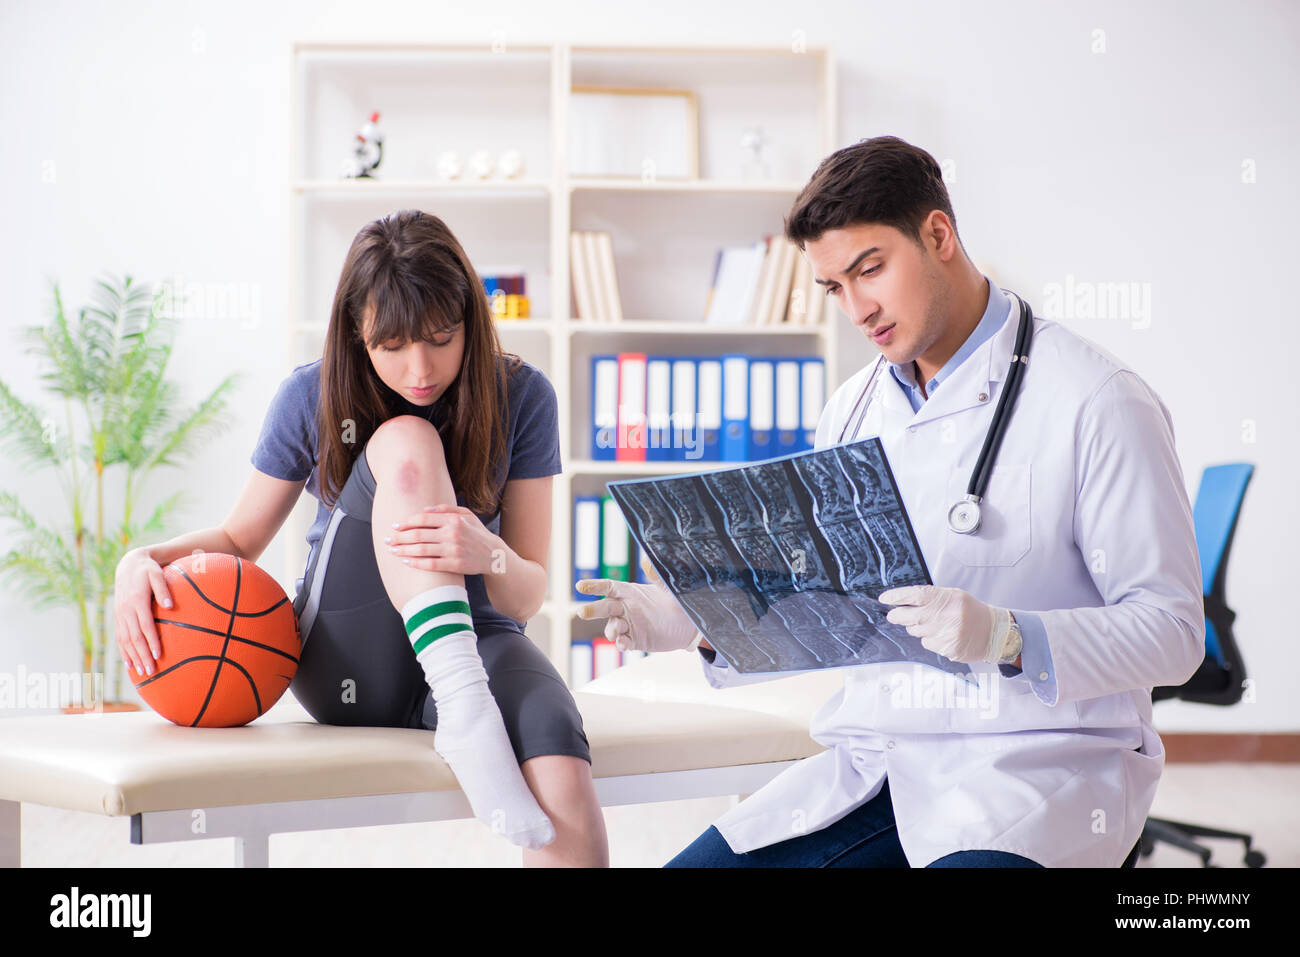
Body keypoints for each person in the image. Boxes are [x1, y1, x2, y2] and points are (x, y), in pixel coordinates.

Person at [576, 136, 1205, 868]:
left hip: (1038, 771)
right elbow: (824, 609)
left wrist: (1009, 636)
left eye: (870, 268)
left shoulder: (1096, 400)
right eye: (834, 287)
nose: (857, 308)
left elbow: (1173, 633)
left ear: (938, 234)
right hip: (880, 762)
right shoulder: (850, 409)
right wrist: (702, 623)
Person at [115, 209, 609, 866]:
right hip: (349, 659)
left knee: (556, 734)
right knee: (408, 441)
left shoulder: (523, 395)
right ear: (357, 331)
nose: (420, 368)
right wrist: (138, 560)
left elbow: (524, 597)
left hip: (482, 635)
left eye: (441, 337)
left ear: (471, 317)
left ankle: (467, 705)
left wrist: (485, 551)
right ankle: (465, 704)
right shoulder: (311, 393)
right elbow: (239, 537)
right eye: (392, 345)